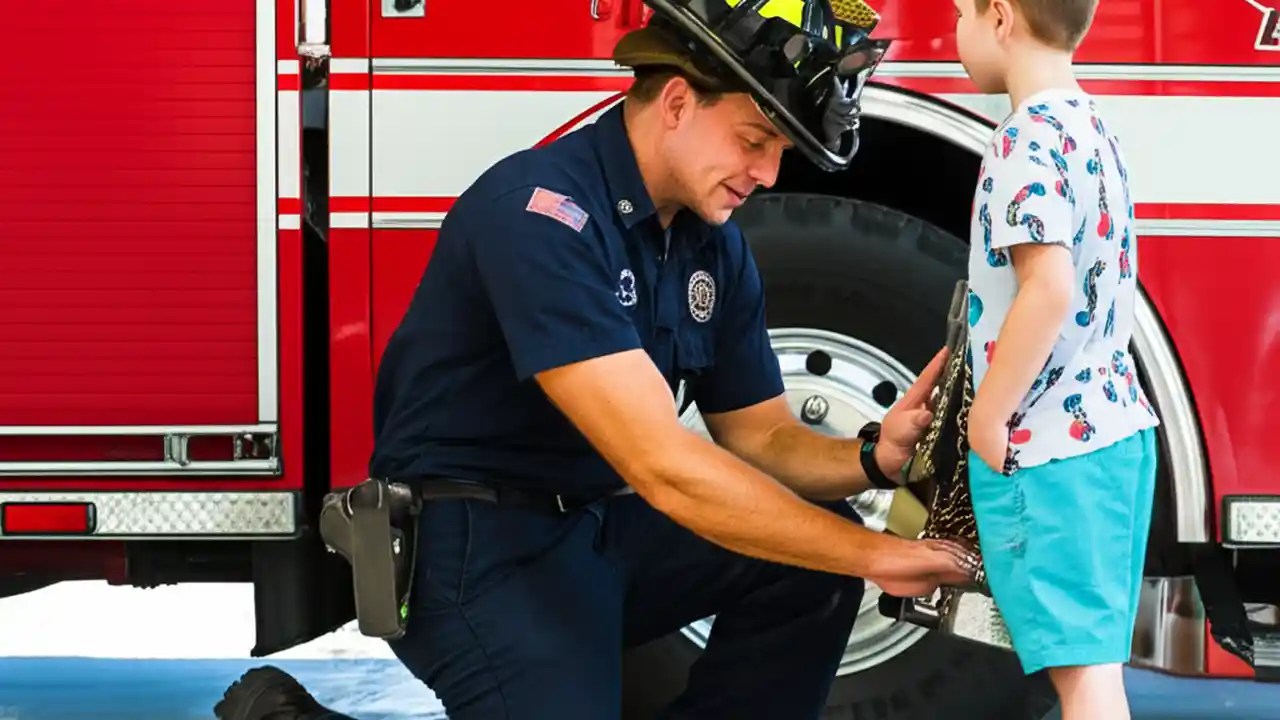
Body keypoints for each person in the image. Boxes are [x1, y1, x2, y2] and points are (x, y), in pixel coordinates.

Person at [215, 2, 978, 718]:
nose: (770, 174)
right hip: (474, 549)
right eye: (755, 140)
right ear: (678, 103)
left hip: (595, 531)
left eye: (781, 151)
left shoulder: (712, 245)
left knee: (809, 557)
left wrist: (876, 458)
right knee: (835, 551)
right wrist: (876, 555)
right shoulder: (542, 214)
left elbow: (764, 440)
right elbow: (664, 468)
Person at [953, 0, 1162, 718]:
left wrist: (989, 414)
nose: (956, 32)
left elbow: (1047, 287)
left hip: (1050, 452)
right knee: (1097, 666)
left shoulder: (1022, 140)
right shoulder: (1093, 127)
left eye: (959, 13)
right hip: (1115, 436)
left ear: (1001, 18)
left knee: (1081, 679)